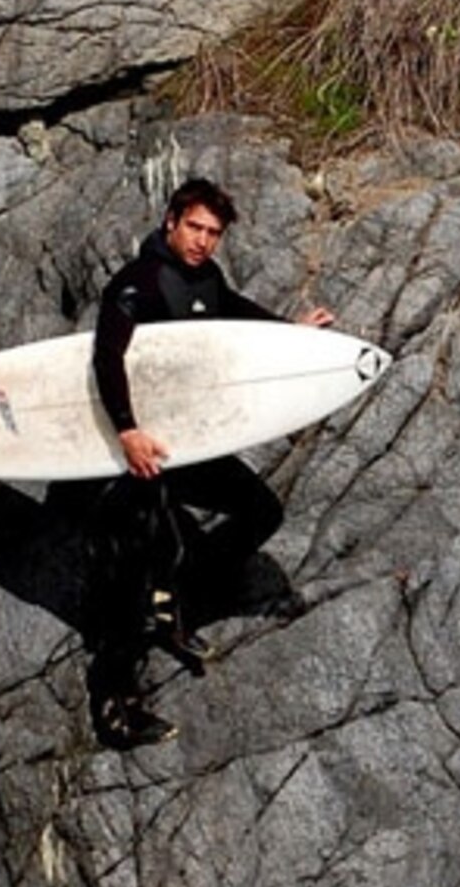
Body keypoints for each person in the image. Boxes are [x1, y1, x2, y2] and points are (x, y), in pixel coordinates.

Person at [81, 176, 333, 749]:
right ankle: (115, 706)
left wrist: (288, 333)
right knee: (135, 572)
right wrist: (127, 431)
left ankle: (180, 599)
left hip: (185, 445)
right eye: (194, 227)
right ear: (171, 220)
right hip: (138, 453)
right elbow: (106, 358)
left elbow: (231, 313)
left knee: (260, 511)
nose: (202, 241)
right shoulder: (136, 284)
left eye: (213, 233)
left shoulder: (206, 278)